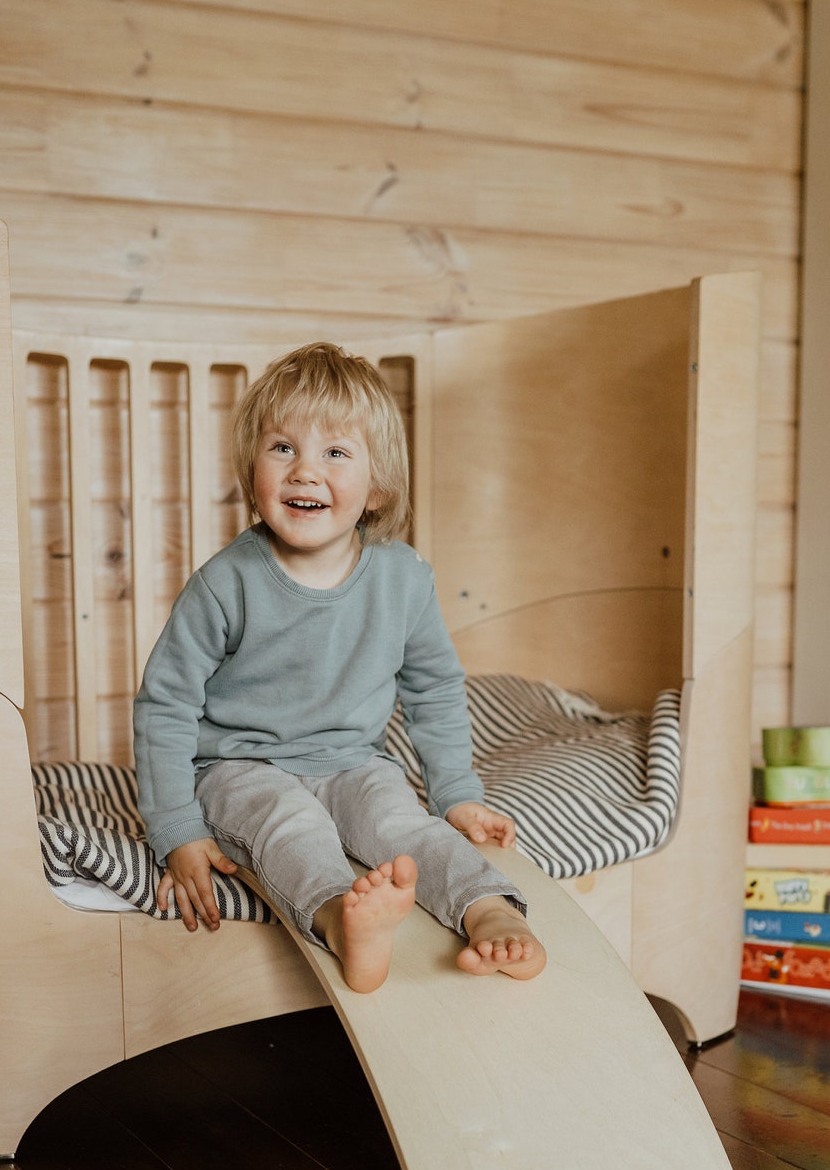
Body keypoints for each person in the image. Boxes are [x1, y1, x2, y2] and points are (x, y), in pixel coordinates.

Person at [134, 342, 545, 993]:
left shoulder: (403, 580)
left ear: (376, 487)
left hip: (353, 762)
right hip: (240, 765)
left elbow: (435, 687)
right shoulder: (225, 583)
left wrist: (459, 796)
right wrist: (177, 829)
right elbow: (165, 704)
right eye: (282, 448)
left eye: (335, 452)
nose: (304, 471)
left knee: (401, 825)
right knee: (289, 825)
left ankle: (489, 910)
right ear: (252, 469)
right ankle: (339, 919)